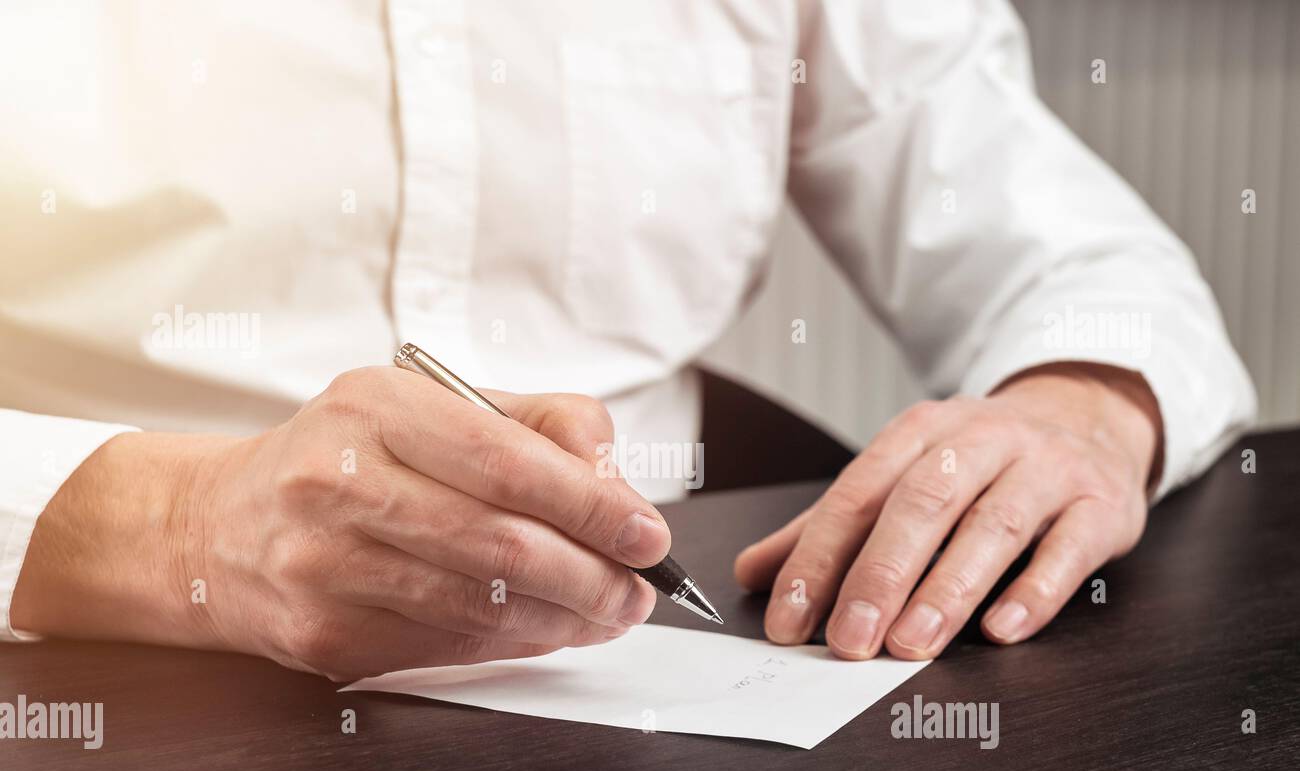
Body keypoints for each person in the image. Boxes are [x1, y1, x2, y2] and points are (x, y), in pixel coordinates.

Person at [0, 1, 1255, 680]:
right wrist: (181, 527)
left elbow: (1073, 255)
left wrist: (1076, 406)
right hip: (97, 684)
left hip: (628, 700)